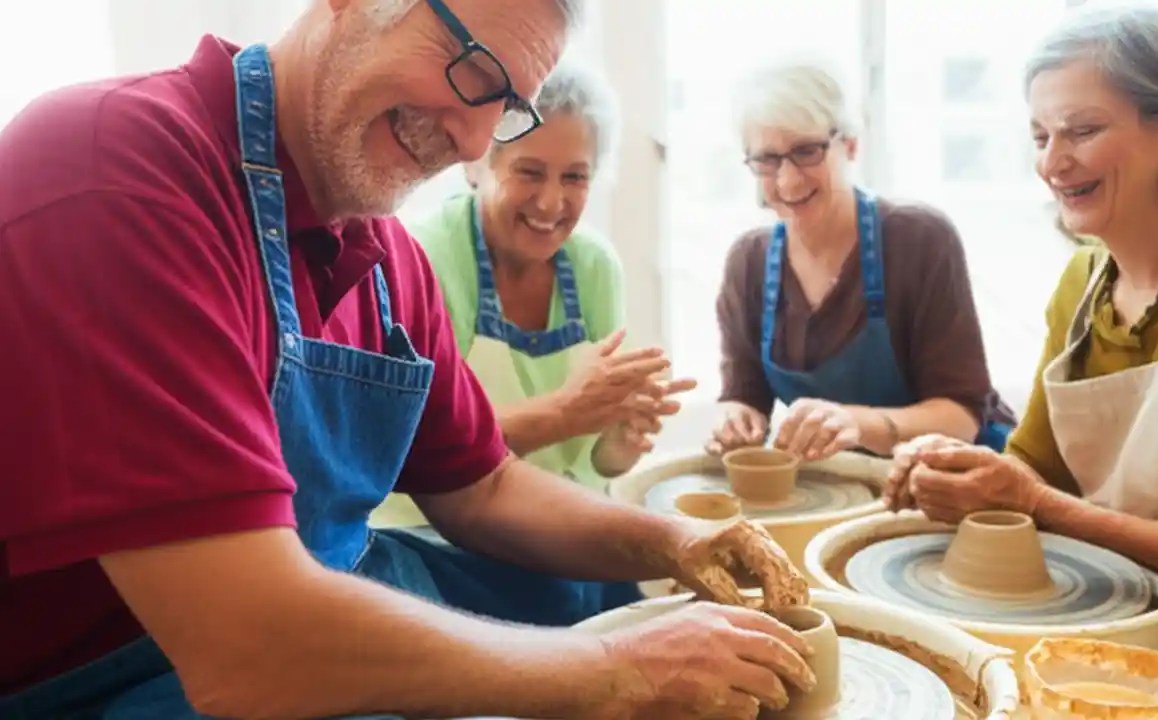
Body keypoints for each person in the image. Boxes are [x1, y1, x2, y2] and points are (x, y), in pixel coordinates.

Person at [0, 1, 816, 718]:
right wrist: (612, 673)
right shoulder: (115, 168)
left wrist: (672, 542)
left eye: (505, 109)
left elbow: (484, 488)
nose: (469, 140)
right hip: (131, 666)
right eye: (472, 70)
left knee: (605, 592)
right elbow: (246, 649)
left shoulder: (386, 255)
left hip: (342, 582)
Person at [884, 7, 1158, 718]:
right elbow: (1036, 470)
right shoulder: (1082, 283)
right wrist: (958, 470)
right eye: (1040, 136)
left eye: (1082, 130)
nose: (1051, 161)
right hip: (1132, 630)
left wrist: (1040, 506)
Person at [406, 61, 695, 492]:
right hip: (432, 525)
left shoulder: (594, 264)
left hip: (551, 518)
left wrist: (622, 439)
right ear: (475, 164)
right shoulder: (427, 256)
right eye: (530, 172)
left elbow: (595, 465)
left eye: (574, 177)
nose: (550, 202)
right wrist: (564, 412)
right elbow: (423, 446)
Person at [708, 59, 1016, 462]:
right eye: (767, 159)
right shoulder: (748, 262)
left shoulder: (919, 239)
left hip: (954, 476)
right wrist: (735, 419)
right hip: (843, 483)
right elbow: (744, 397)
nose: (788, 180)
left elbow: (962, 415)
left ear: (850, 145)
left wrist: (856, 423)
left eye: (807, 151)